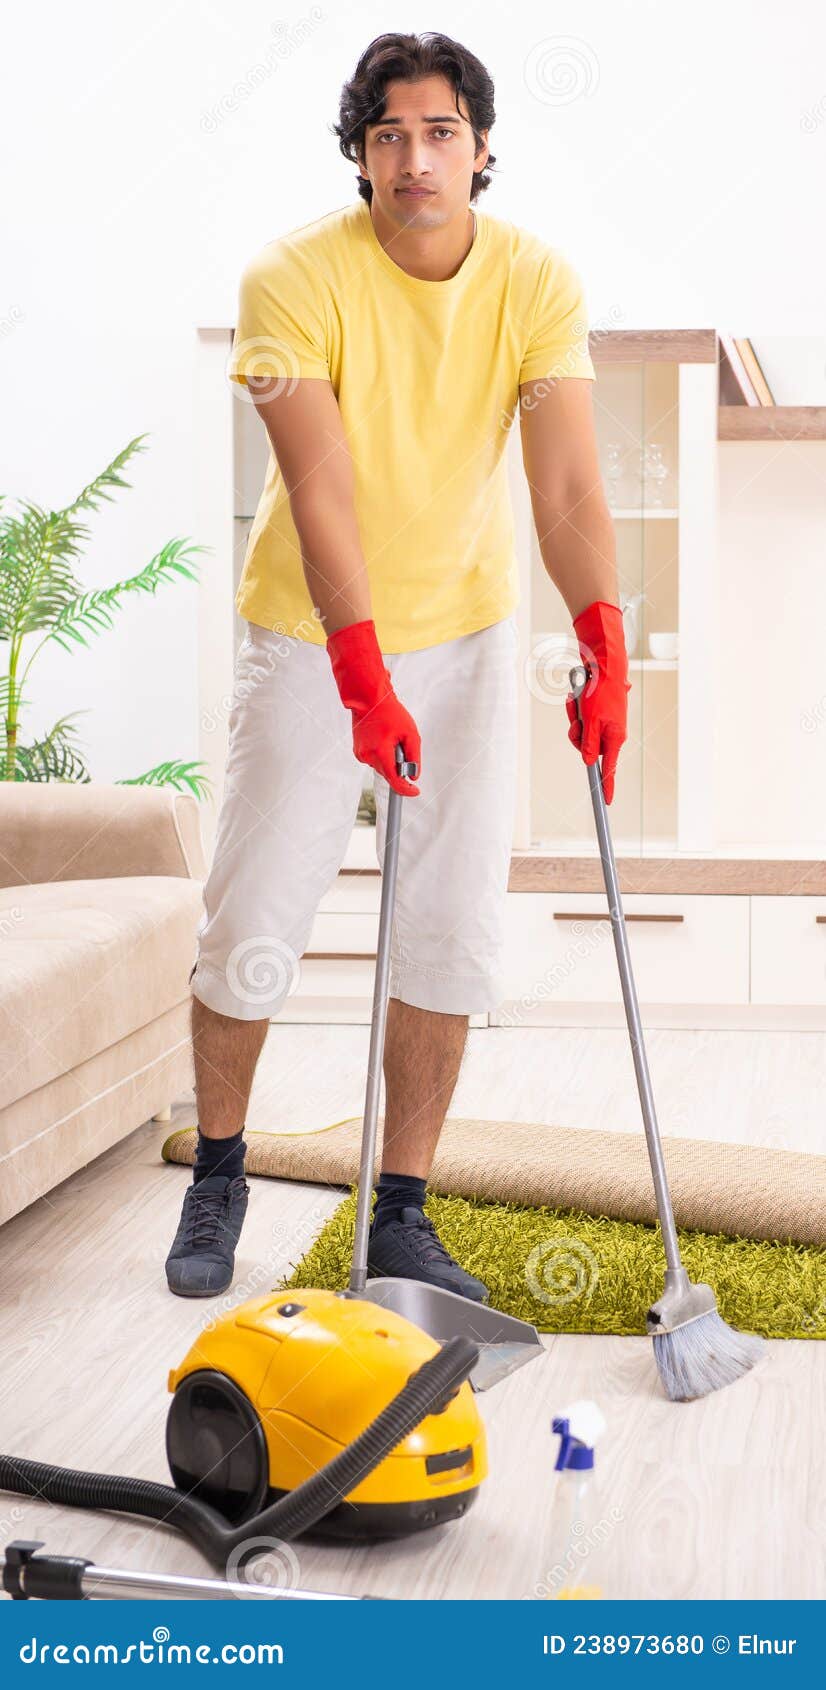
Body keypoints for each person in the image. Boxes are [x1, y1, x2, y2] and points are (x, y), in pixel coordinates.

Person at [165, 31, 630, 1300]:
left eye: (439, 133)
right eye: (388, 136)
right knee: (254, 918)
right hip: (310, 637)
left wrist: (601, 636)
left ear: (480, 150)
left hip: (467, 634)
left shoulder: (535, 279)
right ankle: (219, 1170)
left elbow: (568, 485)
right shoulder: (291, 277)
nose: (414, 158)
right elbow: (319, 494)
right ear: (360, 153)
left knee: (449, 927)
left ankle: (401, 1212)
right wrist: (362, 676)